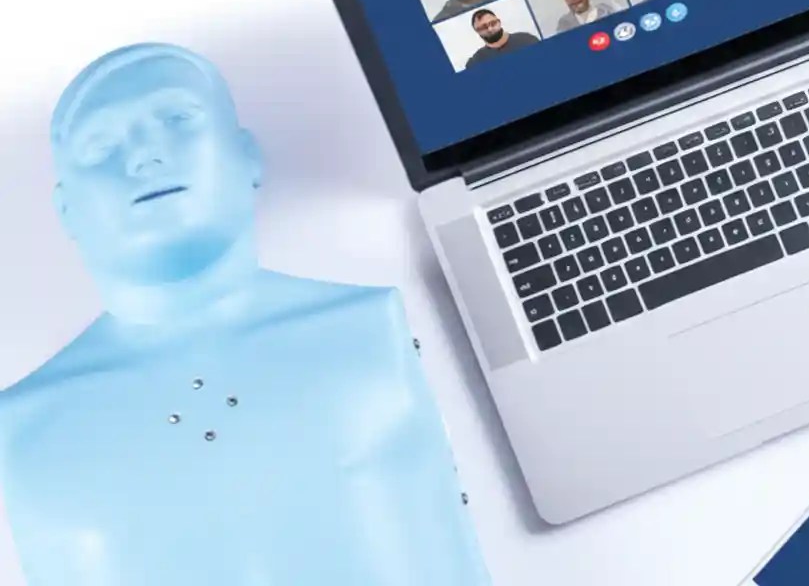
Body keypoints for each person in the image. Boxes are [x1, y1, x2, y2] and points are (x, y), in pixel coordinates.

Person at [0, 43, 492, 585]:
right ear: (66, 210)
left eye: (177, 117)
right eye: (99, 144)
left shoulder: (362, 329)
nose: (144, 155)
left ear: (247, 156)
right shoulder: (26, 425)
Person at [467, 9, 540, 68]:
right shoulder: (476, 62)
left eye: (493, 23)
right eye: (483, 27)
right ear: (477, 31)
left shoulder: (527, 40)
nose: (490, 29)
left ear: (499, 22)